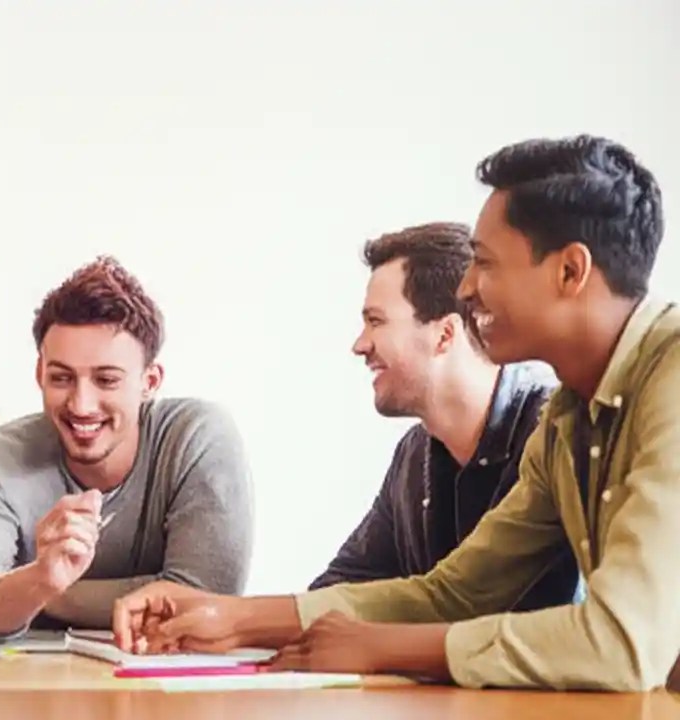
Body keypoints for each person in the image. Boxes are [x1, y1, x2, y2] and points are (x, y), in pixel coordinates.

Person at [112, 135, 680, 692]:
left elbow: (620, 643)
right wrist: (231, 617)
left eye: (485, 263)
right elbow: (454, 593)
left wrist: (385, 647)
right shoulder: (565, 419)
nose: (466, 288)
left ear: (570, 272)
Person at [0, 257, 252, 641]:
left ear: (150, 382)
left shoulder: (198, 437)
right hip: (33, 677)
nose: (81, 405)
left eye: (106, 380)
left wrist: (42, 593)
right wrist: (40, 578)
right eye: (61, 378)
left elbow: (206, 599)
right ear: (40, 374)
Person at [311, 221, 580, 610]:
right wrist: (247, 622)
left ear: (445, 335)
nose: (360, 344)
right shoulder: (414, 454)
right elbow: (345, 586)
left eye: (376, 321)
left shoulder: (555, 435)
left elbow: (479, 612)